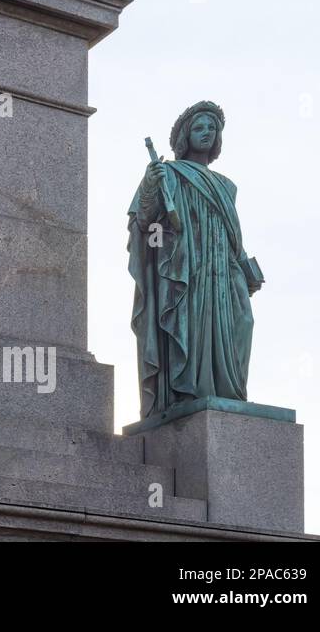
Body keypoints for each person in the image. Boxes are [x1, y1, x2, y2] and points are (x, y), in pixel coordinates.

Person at [127, 101, 263, 418]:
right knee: (192, 329)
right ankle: (188, 392)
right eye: (199, 127)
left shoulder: (226, 186)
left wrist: (244, 265)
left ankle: (228, 394)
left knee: (243, 321)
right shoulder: (169, 173)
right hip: (187, 267)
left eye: (212, 128)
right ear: (185, 136)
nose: (207, 132)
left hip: (224, 268)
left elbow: (232, 233)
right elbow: (145, 223)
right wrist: (150, 185)